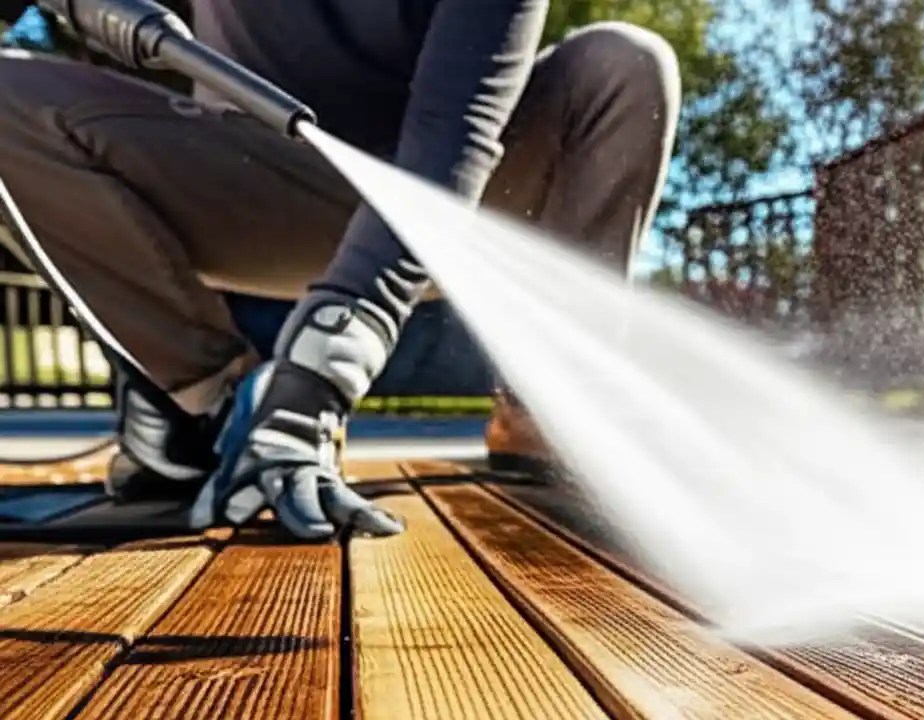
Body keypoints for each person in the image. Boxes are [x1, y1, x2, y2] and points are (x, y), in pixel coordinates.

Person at [0, 1, 680, 538]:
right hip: (255, 188)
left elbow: (454, 134)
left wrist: (324, 369)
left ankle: (547, 413)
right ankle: (217, 402)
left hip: (461, 197)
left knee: (623, 67)